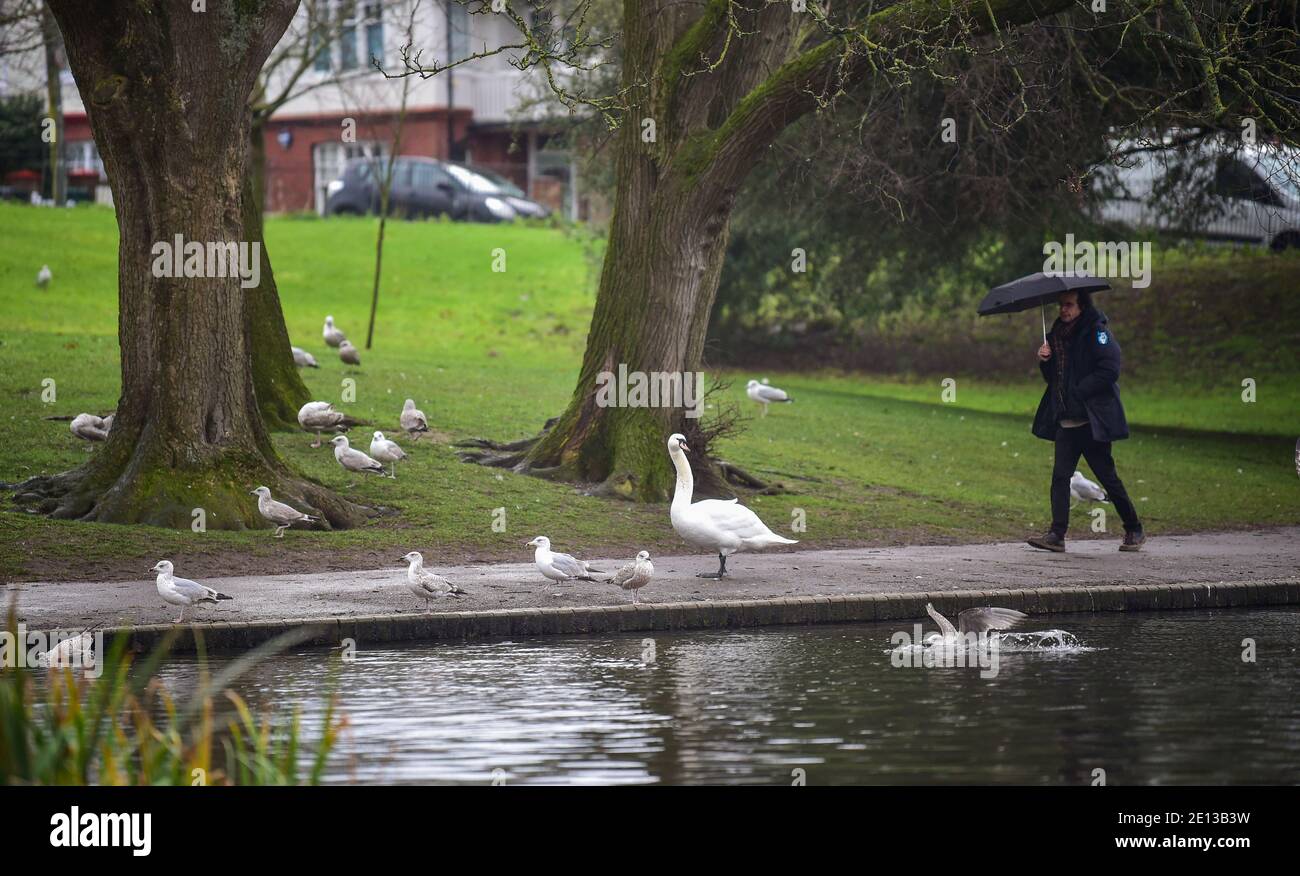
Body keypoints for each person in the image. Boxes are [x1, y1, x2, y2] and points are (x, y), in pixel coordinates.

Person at [1027, 290, 1145, 552]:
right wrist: (1045, 361)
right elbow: (1054, 377)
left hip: (1092, 421)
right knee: (1060, 477)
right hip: (1065, 421)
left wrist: (1078, 391)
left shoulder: (1097, 332)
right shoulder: (1056, 336)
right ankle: (1056, 535)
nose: (1063, 310)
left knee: (1107, 477)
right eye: (1061, 305)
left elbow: (1110, 370)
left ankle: (1134, 528)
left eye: (1069, 305)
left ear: (1082, 307)